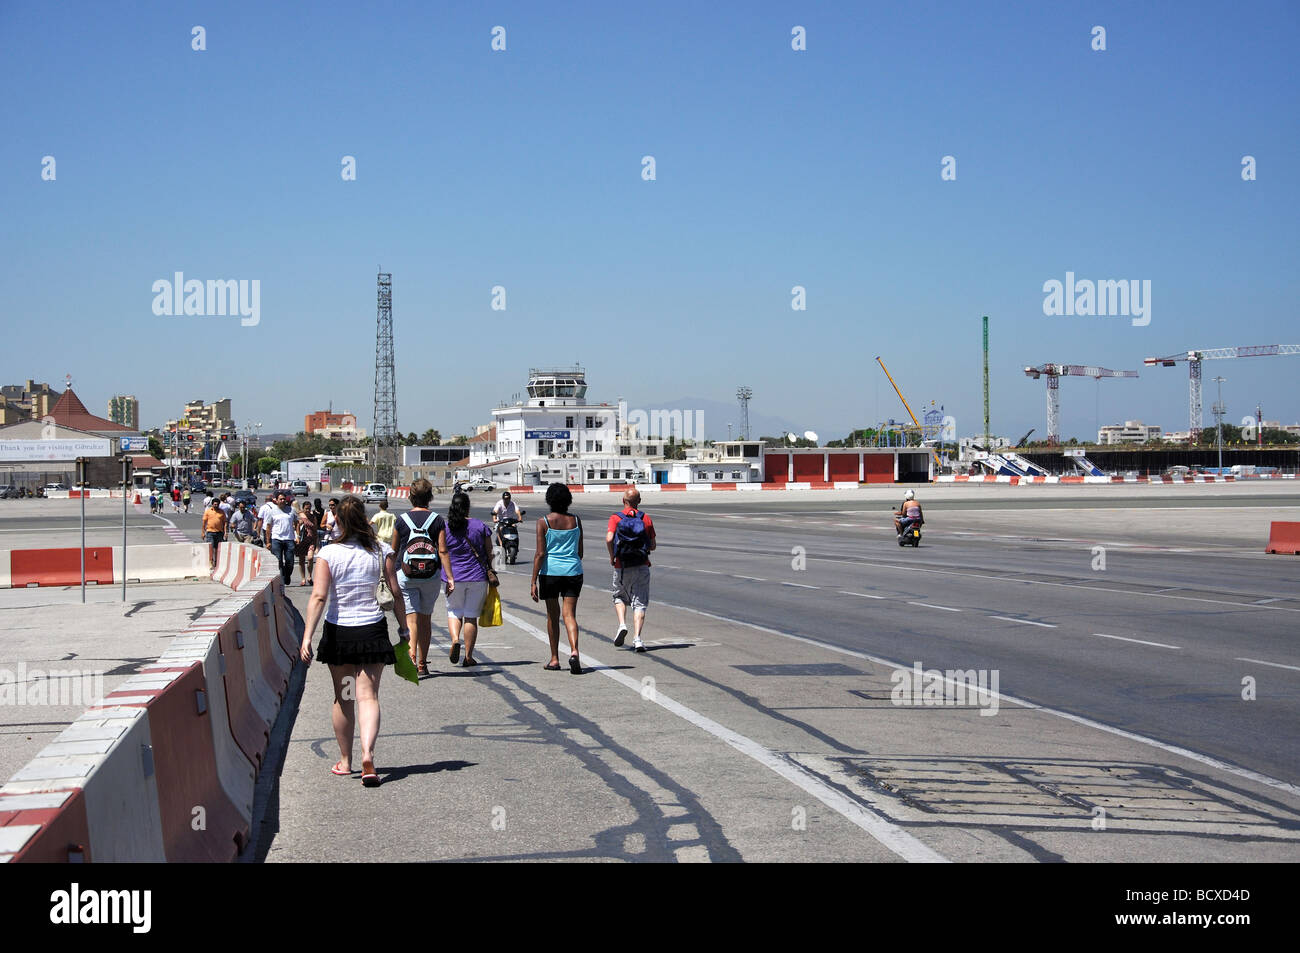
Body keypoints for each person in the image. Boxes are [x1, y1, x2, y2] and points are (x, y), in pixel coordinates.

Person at [299, 495, 409, 787]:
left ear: (339, 521)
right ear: (364, 517)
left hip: (340, 634)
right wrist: (404, 628)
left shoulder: (328, 554)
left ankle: (346, 761)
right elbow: (395, 592)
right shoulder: (381, 550)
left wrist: (307, 636)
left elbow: (319, 596)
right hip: (372, 631)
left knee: (345, 698)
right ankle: (368, 755)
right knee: (369, 697)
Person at [393, 479, 445, 676]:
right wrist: (450, 576)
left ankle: (412, 657)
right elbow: (443, 550)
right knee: (425, 620)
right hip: (431, 576)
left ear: (411, 496)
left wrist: (387, 576)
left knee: (411, 620)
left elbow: (394, 550)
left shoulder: (401, 520)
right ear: (430, 497)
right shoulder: (437, 520)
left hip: (405, 574)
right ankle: (423, 663)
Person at [530, 483, 584, 674]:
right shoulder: (576, 521)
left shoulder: (543, 521)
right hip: (573, 571)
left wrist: (533, 581)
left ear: (549, 499)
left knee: (553, 616)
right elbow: (580, 551)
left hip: (550, 573)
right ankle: (575, 651)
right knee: (569, 615)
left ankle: (554, 659)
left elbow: (540, 553)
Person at [439, 491, 494, 668]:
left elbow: (441, 551)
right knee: (471, 617)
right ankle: (468, 657)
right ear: (468, 507)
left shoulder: (445, 528)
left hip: (452, 577)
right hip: (477, 577)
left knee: (454, 612)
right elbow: (489, 552)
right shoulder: (479, 526)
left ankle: (455, 639)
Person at [606, 489, 656, 652]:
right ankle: (638, 639)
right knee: (640, 602)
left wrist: (612, 556)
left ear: (623, 500)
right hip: (642, 564)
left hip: (622, 565)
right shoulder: (645, 518)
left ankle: (622, 624)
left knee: (619, 596)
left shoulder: (615, 518)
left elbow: (609, 538)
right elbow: (653, 545)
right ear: (639, 501)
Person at [263, 490, 297, 585]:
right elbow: (268, 527)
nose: (282, 500)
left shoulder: (291, 510)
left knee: (290, 561)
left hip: (289, 539)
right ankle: (281, 579)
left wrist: (297, 535)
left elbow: (296, 523)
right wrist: (268, 541)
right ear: (276, 501)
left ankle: (287, 575)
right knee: (278, 561)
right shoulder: (272, 511)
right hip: (276, 539)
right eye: (280, 499)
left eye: (284, 499)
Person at [296, 500, 318, 586]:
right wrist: (297, 536)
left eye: (309, 508)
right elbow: (297, 526)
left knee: (310, 558)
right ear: (303, 509)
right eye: (306, 509)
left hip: (311, 540)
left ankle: (309, 576)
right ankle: (303, 579)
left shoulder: (313, 517)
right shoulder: (301, 517)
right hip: (302, 541)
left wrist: (316, 543)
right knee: (301, 560)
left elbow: (315, 529)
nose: (308, 510)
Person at [202, 498, 227, 569]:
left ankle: (216, 563)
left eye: (217, 504)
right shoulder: (208, 511)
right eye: (214, 504)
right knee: (211, 548)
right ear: (212, 504)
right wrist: (203, 532)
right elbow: (204, 523)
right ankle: (211, 562)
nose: (216, 505)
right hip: (210, 532)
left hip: (219, 532)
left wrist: (225, 532)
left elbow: (225, 522)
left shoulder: (222, 512)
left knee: (217, 548)